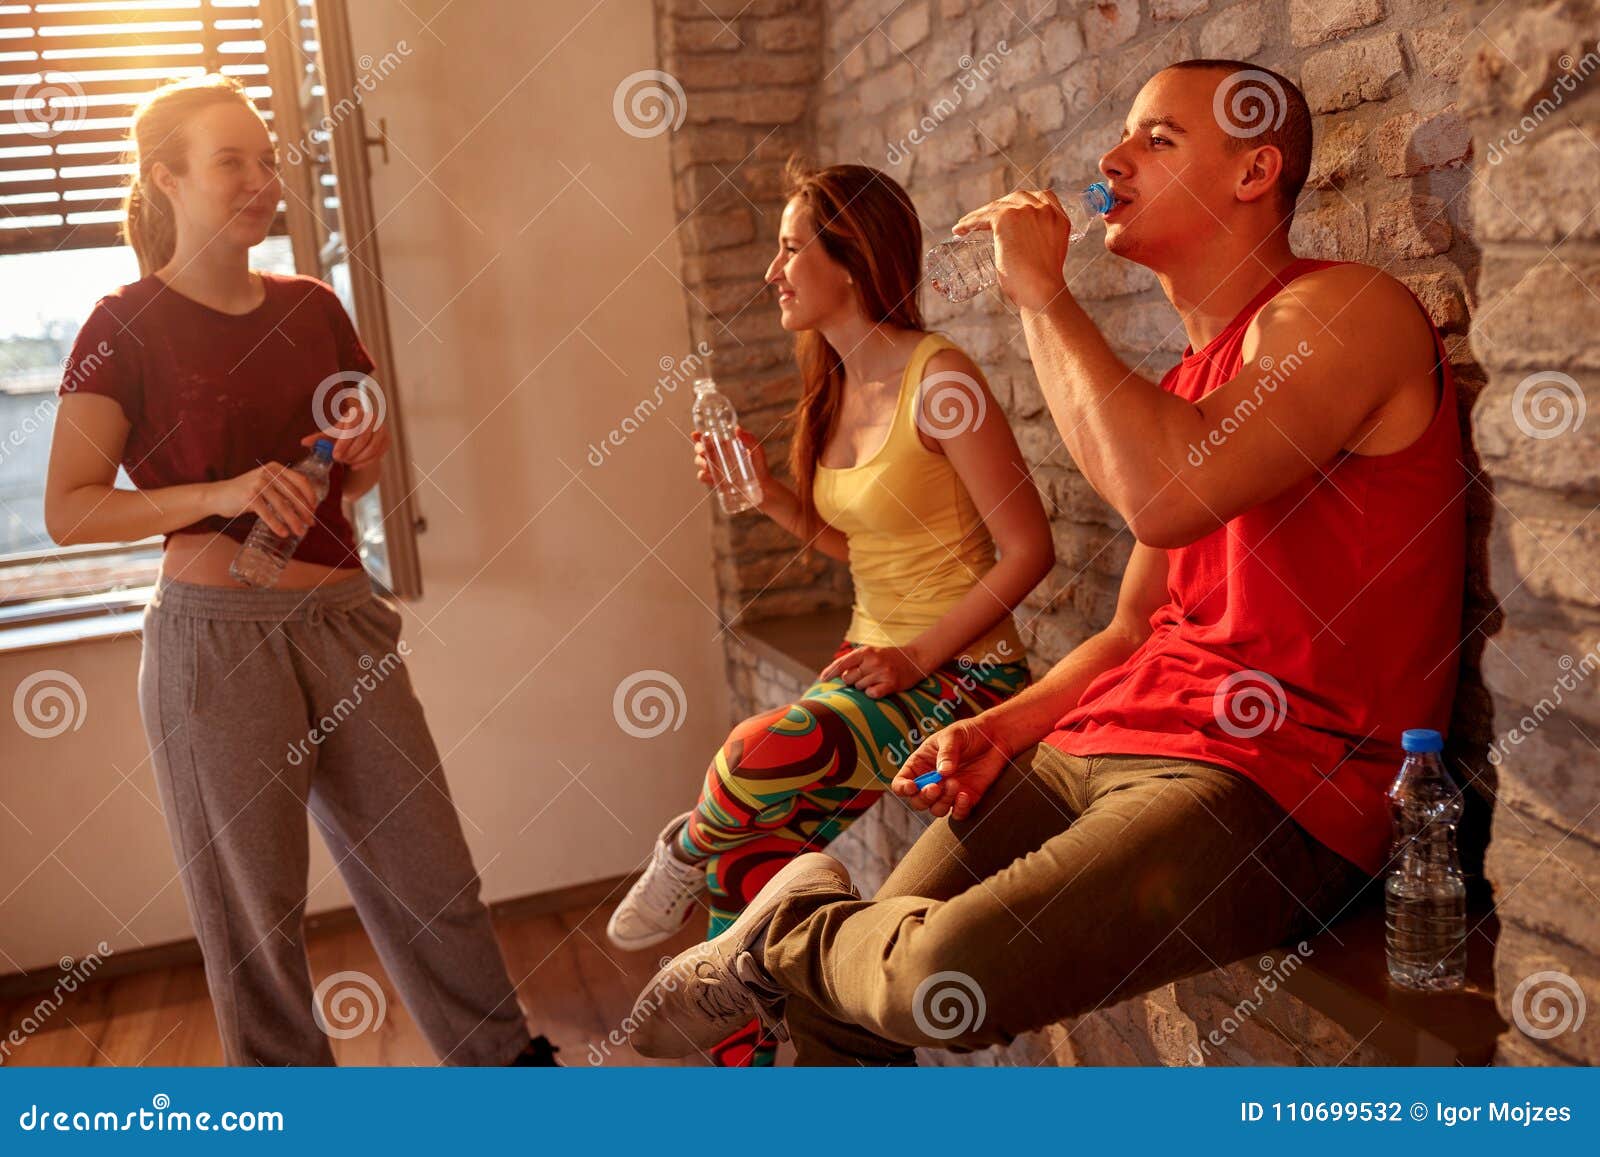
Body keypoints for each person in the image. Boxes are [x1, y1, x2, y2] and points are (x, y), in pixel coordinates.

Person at [625, 59, 1468, 1064]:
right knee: (850, 1002)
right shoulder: (1188, 384)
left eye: (1156, 139)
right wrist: (1000, 725)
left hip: (1272, 781)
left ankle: (776, 933)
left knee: (931, 978)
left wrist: (1042, 293)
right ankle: (800, 967)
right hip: (1099, 735)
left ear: (1255, 172)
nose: (1112, 159)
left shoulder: (1344, 312)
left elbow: (1165, 496)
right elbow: (1133, 625)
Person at [43, 74, 556, 1067]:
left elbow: (350, 480)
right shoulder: (121, 323)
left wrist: (365, 455)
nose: (261, 179)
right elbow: (69, 509)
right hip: (215, 647)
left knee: (433, 882)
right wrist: (219, 491)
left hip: (344, 620)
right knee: (256, 929)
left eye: (268, 160)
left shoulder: (314, 307)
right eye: (231, 161)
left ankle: (511, 1080)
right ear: (167, 178)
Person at [604, 159, 1054, 1065]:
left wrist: (916, 658)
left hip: (962, 676)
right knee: (755, 864)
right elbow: (867, 548)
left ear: (850, 262)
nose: (773, 271)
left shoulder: (941, 379)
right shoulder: (834, 384)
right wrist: (769, 496)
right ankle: (757, 1067)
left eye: (789, 249)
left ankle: (682, 846)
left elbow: (1029, 549)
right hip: (872, 660)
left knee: (745, 760)